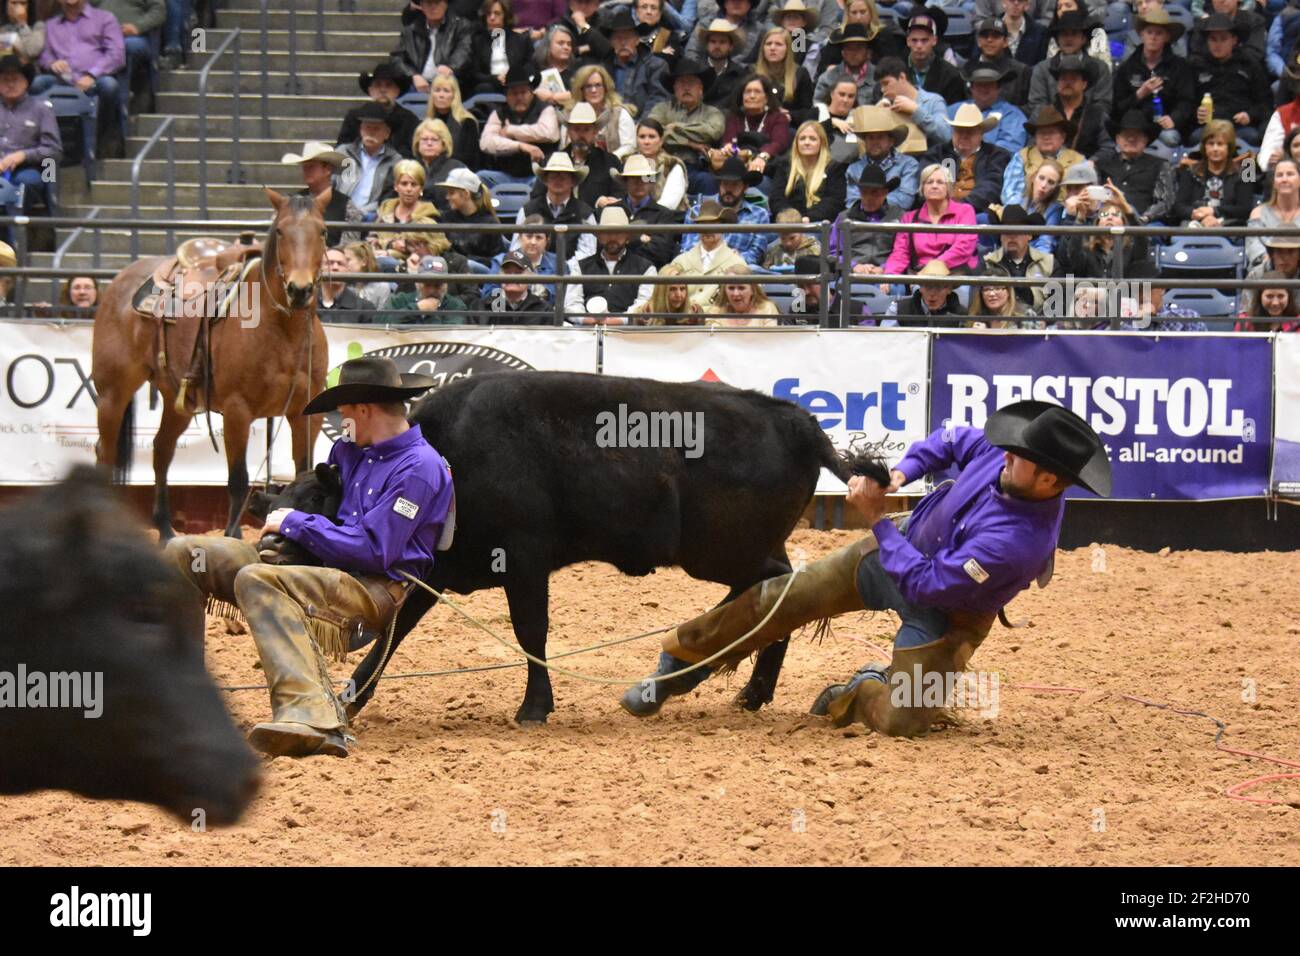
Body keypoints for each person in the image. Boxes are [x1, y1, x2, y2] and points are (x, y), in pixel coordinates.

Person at [618, 400, 1113, 740]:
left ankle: (857, 692)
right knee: (783, 598)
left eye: (1022, 456)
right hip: (902, 544)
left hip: (946, 615)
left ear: (1049, 479)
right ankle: (671, 673)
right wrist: (900, 473)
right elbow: (949, 440)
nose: (1008, 452)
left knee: (904, 722)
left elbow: (927, 584)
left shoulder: (1018, 544)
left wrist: (877, 519)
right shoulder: (1004, 458)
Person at [163, 356, 453, 758]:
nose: (341, 423)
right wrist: (293, 522)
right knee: (183, 551)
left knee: (255, 578)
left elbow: (375, 551)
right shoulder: (349, 452)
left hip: (371, 591)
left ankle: (314, 717)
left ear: (365, 410)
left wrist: (296, 524)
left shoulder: (419, 470)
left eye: (345, 413)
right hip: (315, 570)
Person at [33, 0, 125, 156]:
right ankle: (43, 143)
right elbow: (44, 56)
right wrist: (52, 63)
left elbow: (116, 55)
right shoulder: (50, 25)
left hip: (95, 80)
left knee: (109, 85)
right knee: (38, 83)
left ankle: (102, 139)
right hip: (63, 81)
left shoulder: (105, 18)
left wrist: (92, 75)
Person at [1112, 8, 1193, 147]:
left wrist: (1174, 118)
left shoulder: (1179, 66)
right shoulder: (1127, 67)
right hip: (1132, 127)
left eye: (1159, 33)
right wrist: (1140, 93)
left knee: (1170, 138)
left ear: (1167, 37)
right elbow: (1117, 107)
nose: (1153, 37)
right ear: (1141, 35)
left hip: (1165, 127)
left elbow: (1187, 101)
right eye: (1149, 32)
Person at [883, 163, 979, 279]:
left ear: (948, 188)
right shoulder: (909, 218)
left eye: (940, 182)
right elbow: (900, 253)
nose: (934, 186)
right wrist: (889, 276)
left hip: (956, 275)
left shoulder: (965, 211)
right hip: (920, 277)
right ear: (922, 188)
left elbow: (964, 247)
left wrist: (933, 268)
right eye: (929, 182)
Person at [564, 204, 657, 323]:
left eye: (618, 233)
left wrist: (620, 320)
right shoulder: (581, 266)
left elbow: (644, 304)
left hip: (629, 335)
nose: (612, 237)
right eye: (607, 233)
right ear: (599, 237)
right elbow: (571, 304)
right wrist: (586, 320)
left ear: (627, 236)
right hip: (588, 333)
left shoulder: (646, 268)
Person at [646, 58, 726, 195]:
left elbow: (713, 132)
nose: (686, 87)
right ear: (675, 89)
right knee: (645, 173)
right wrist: (689, 143)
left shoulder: (712, 113)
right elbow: (650, 132)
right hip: (661, 163)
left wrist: (675, 127)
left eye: (691, 83)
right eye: (682, 83)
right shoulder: (662, 109)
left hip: (693, 168)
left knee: (708, 181)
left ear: (700, 89)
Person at [1189, 12, 1270, 147]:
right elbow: (1186, 102)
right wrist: (1196, 113)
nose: (1218, 44)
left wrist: (1250, 115)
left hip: (1241, 128)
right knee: (1195, 138)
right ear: (1207, 41)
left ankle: (1247, 169)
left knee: (1253, 139)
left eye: (1223, 39)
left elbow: (1265, 102)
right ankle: (1204, 168)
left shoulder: (1249, 64)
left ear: (1234, 40)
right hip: (1208, 127)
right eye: (1213, 39)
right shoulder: (1196, 66)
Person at [478, 63, 561, 188]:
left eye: (523, 92)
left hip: (537, 176)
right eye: (514, 93)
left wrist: (511, 131)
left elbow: (548, 133)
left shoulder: (545, 109)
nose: (519, 97)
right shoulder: (499, 113)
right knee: (480, 177)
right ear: (506, 96)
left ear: (531, 92)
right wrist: (520, 146)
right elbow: (486, 143)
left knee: (544, 183)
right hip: (505, 176)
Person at [678, 155, 769, 268]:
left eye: (735, 184)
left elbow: (756, 254)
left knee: (753, 269)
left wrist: (734, 259)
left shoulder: (759, 214)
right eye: (725, 184)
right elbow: (687, 248)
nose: (728, 189)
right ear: (719, 185)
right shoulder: (697, 211)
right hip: (701, 266)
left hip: (738, 269)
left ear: (745, 187)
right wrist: (715, 256)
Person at [922, 102, 1011, 216]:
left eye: (970, 131)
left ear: (981, 133)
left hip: (978, 212)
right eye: (959, 130)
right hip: (937, 210)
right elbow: (925, 183)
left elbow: (991, 187)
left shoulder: (996, 155)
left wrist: (960, 207)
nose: (964, 135)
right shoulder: (936, 154)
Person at [0, 54, 60, 216]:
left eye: (16, 79)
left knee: (27, 182)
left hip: (28, 167)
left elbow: (53, 149)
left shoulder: (41, 109)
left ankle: (14, 231)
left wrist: (23, 155)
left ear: (26, 82)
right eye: (5, 79)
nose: (11, 84)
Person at [1095, 109, 1175, 224]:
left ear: (1146, 139)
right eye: (1126, 135)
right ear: (1117, 139)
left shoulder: (1161, 165)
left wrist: (1143, 219)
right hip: (1108, 221)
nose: (1131, 139)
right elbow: (1095, 198)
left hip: (1146, 224)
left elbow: (1165, 202)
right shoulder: (1102, 163)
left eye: (1137, 135)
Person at [1027, 10, 1112, 116]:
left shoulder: (1100, 68)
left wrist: (1082, 122)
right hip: (1050, 127)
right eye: (1064, 34)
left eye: (1074, 33)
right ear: (1057, 39)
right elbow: (1037, 105)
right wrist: (1061, 124)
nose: (1069, 39)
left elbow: (1103, 105)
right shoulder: (1042, 69)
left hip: (1089, 128)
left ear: (1083, 38)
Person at [1171, 119, 1254, 227]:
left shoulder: (1247, 169)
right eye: (1211, 144)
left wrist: (1214, 211)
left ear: (1229, 147)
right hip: (1195, 222)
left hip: (1231, 225)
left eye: (1220, 144)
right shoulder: (1189, 168)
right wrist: (1200, 215)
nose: (1215, 149)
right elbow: (1179, 206)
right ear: (1204, 146)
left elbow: (1246, 208)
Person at [516, 150, 598, 259]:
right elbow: (516, 249)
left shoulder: (585, 214)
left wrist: (562, 268)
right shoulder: (527, 210)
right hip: (533, 272)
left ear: (573, 181)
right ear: (545, 180)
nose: (558, 180)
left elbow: (588, 254)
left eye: (563, 176)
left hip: (572, 274)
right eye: (553, 175)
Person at [608, 152, 683, 268]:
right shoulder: (611, 210)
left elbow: (661, 253)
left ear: (650, 181)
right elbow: (604, 247)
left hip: (648, 274)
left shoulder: (664, 215)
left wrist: (626, 239)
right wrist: (642, 238)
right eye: (634, 177)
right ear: (625, 181)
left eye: (645, 177)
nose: (640, 182)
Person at [1000, 106, 1084, 206]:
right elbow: (1009, 194)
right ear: (1035, 137)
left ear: (1063, 137)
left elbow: (1084, 196)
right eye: (1041, 132)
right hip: (1024, 214)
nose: (1046, 137)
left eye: (1051, 132)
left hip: (1064, 216)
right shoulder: (1022, 156)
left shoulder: (1079, 161)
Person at [669, 198, 747, 307]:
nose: (707, 229)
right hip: (682, 321)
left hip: (719, 321)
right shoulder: (680, 261)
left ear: (723, 227)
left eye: (713, 224)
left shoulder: (737, 263)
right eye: (703, 225)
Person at [713, 74, 791, 181]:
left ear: (766, 98)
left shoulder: (778, 118)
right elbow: (729, 140)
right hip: (737, 166)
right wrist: (729, 147)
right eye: (747, 92)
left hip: (765, 169)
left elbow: (779, 143)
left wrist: (762, 157)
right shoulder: (734, 117)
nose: (752, 96)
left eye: (757, 92)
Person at [1056, 191, 1152, 279]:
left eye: (1116, 215)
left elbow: (1142, 238)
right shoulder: (1087, 250)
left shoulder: (1131, 250)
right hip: (1090, 295)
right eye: (1104, 215)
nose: (1109, 217)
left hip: (1123, 295)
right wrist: (1080, 217)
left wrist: (1125, 207)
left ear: (1123, 223)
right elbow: (1073, 254)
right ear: (1097, 224)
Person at [768, 120, 848, 223]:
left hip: (819, 224)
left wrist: (808, 218)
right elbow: (776, 197)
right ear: (796, 143)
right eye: (802, 139)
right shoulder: (785, 165)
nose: (807, 142)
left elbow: (834, 201)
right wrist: (789, 217)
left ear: (822, 143)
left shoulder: (834, 168)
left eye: (813, 139)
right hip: (788, 223)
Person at [830, 163, 903, 275]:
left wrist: (885, 269)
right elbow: (834, 252)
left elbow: (902, 252)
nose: (869, 198)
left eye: (874, 193)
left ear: (885, 193)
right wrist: (853, 266)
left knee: (896, 288)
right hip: (851, 274)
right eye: (864, 192)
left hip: (888, 274)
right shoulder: (844, 218)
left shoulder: (899, 217)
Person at [338, 62, 421, 161]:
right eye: (378, 85)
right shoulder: (354, 117)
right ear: (370, 90)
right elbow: (342, 150)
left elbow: (413, 154)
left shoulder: (409, 120)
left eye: (388, 85)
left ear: (397, 91)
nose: (383, 90)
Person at [984, 204, 1059, 311]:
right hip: (1000, 322)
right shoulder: (988, 262)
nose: (1012, 236)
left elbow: (1057, 305)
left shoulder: (1048, 262)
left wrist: (1043, 321)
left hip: (1038, 323)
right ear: (1000, 236)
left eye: (1018, 231)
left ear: (1029, 235)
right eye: (1006, 231)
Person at [371, 160, 448, 262]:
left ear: (421, 188)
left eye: (414, 184)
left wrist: (389, 252)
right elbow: (372, 240)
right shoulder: (385, 208)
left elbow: (422, 250)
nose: (409, 189)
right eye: (404, 184)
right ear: (396, 186)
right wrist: (391, 245)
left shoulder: (430, 215)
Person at [844, 104, 918, 209]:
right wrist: (878, 201)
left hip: (896, 221)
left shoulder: (908, 164)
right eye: (870, 138)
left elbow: (905, 200)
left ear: (891, 141)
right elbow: (852, 202)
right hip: (863, 221)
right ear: (865, 141)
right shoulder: (854, 169)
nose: (875, 142)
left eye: (880, 137)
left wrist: (871, 201)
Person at [600, 6, 670, 118]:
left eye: (627, 38)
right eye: (618, 38)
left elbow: (658, 99)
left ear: (637, 40)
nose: (623, 43)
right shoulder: (602, 69)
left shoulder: (655, 65)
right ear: (611, 42)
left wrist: (642, 126)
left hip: (642, 126)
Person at [393, 0, 474, 93]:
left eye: (437, 3)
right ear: (421, 6)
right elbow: (397, 57)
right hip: (417, 85)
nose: (433, 7)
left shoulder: (461, 26)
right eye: (429, 3)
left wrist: (450, 67)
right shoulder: (411, 30)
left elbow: (464, 51)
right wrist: (413, 75)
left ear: (446, 4)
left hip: (452, 82)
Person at [875, 54, 951, 149]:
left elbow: (946, 136)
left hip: (928, 159)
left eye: (886, 83)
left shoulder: (933, 101)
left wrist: (915, 110)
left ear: (902, 77)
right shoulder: (885, 104)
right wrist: (876, 116)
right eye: (881, 85)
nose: (882, 89)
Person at [1047, 53, 1113, 159]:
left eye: (1073, 79)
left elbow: (1108, 147)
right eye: (1063, 78)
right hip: (1048, 170)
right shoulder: (1045, 112)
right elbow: (1032, 145)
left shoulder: (1098, 114)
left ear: (1084, 84)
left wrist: (1091, 163)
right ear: (1057, 83)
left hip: (1085, 172)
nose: (1068, 83)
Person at [435, 166, 503, 265]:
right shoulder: (444, 218)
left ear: (466, 194)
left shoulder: (489, 223)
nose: (447, 197)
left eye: (452, 193)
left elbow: (495, 260)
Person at [953, 64, 1027, 155]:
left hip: (992, 166)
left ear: (998, 88)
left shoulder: (1012, 116)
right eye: (979, 84)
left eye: (989, 84)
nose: (984, 88)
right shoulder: (955, 109)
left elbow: (1005, 152)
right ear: (971, 88)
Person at [569, 62, 637, 160]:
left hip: (614, 168)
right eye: (588, 86)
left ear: (605, 88)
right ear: (581, 90)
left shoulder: (619, 114)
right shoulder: (572, 114)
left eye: (598, 85)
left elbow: (629, 146)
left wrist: (608, 160)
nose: (593, 90)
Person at [902, 8, 967, 106]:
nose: (919, 46)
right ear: (908, 41)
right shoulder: (896, 71)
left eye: (924, 40)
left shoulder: (951, 76)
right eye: (914, 40)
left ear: (934, 40)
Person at [467, 0, 533, 94]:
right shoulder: (478, 42)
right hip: (489, 85)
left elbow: (530, 67)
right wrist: (496, 78)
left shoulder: (521, 41)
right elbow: (474, 74)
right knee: (483, 88)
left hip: (516, 83)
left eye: (497, 13)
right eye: (488, 14)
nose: (492, 18)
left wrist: (512, 76)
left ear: (506, 16)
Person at [380, 254, 470, 323]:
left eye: (437, 285)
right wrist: (416, 309)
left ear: (445, 286)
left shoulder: (455, 306)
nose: (432, 290)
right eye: (427, 284)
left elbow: (451, 334)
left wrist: (430, 315)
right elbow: (379, 322)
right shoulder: (399, 300)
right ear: (417, 283)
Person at [962, 18, 1030, 108]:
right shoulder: (966, 69)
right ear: (978, 41)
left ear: (1005, 42)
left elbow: (1029, 107)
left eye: (995, 36)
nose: (989, 40)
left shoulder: (1021, 71)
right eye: (985, 36)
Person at [753, 26, 814, 125]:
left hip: (788, 127)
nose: (772, 48)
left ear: (788, 49)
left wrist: (790, 116)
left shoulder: (800, 73)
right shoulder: (752, 72)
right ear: (762, 48)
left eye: (778, 44)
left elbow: (808, 111)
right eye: (768, 44)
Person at [1246, 158, 1300, 270]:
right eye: (1279, 175)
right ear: (1274, 182)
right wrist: (1273, 263)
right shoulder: (1258, 213)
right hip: (1266, 272)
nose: (1284, 179)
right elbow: (1253, 247)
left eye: (1290, 174)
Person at [1122, 261, 1208, 331]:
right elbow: (1116, 347)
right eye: (1135, 291)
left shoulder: (1187, 317)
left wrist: (1156, 318)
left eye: (1147, 290)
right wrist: (1137, 320)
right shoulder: (1121, 321)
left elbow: (1204, 350)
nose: (1141, 296)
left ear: (1162, 288)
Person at [408, 117, 465, 215]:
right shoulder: (407, 167)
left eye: (434, 140)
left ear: (444, 144)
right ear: (417, 143)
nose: (429, 143)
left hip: (446, 222)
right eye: (424, 139)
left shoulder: (457, 168)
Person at [426, 74, 482, 172]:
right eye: (437, 90)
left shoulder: (467, 122)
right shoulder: (426, 123)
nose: (441, 95)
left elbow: (469, 159)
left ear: (454, 95)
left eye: (446, 91)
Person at [885, 259, 965, 325]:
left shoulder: (962, 316)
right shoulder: (898, 310)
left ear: (949, 289)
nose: (932, 293)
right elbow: (884, 341)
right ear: (920, 287)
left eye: (939, 287)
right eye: (927, 286)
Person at [813, 23, 876, 107]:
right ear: (843, 52)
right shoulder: (827, 78)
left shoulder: (879, 77)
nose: (854, 53)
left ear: (868, 52)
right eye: (849, 48)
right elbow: (818, 106)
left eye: (859, 48)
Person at [484, 249, 553, 321]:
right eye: (507, 272)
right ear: (499, 275)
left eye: (518, 273)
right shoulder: (486, 307)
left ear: (531, 276)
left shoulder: (544, 310)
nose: (512, 277)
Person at [693, 18, 747, 109]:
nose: (717, 46)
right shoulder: (694, 71)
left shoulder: (740, 74)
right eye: (713, 42)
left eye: (722, 42)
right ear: (707, 45)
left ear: (731, 46)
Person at [703, 262, 780, 325]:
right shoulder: (716, 311)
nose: (736, 294)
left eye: (741, 288)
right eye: (731, 288)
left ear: (752, 290)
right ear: (725, 290)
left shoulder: (767, 308)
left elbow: (770, 341)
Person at [1240, 235, 1300, 313]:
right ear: (1272, 254)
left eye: (1290, 251)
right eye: (1279, 251)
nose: (1285, 257)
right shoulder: (1256, 275)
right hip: (1262, 323)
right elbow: (1245, 313)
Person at [966, 263, 1038, 327]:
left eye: (997, 288)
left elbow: (1033, 341)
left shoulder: (1025, 314)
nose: (991, 294)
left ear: (1008, 291)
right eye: (987, 289)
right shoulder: (975, 317)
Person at [318, 246, 377, 322]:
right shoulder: (304, 306)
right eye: (329, 263)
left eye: (340, 264)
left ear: (348, 270)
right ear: (319, 269)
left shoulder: (364, 308)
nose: (335, 267)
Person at [633, 262, 703, 324]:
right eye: (672, 289)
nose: (679, 295)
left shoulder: (695, 312)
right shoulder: (645, 314)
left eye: (682, 289)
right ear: (661, 291)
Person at [533, 23, 577, 108]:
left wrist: (552, 97)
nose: (566, 47)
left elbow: (580, 95)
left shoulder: (577, 70)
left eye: (569, 44)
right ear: (548, 46)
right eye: (561, 43)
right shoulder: (535, 68)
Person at [343, 241, 394, 308]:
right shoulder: (342, 284)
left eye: (348, 260)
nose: (344, 264)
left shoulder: (382, 286)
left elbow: (381, 316)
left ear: (364, 262)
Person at [0, 0, 45, 64]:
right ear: (6, 5)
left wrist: (22, 23)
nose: (19, 8)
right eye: (14, 3)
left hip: (28, 71)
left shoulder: (38, 26)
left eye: (23, 3)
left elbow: (32, 51)